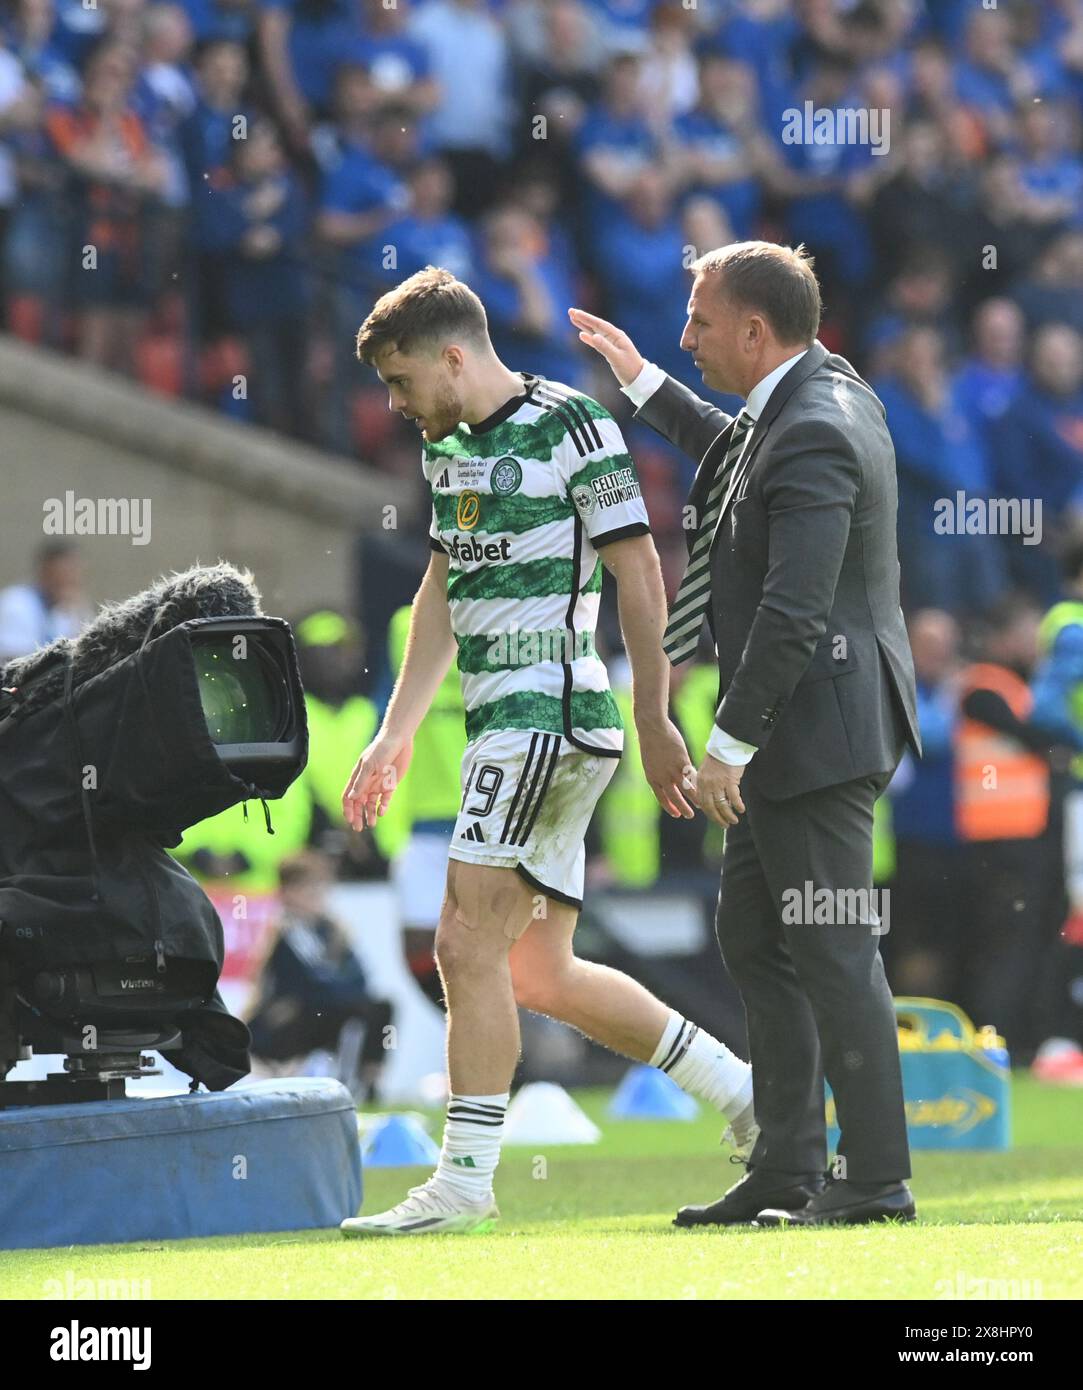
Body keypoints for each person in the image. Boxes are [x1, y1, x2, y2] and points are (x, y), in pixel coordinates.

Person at [339, 266, 756, 1236]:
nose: (397, 406)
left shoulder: (568, 422)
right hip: (508, 723)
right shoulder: (448, 453)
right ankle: (747, 1090)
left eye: (402, 382)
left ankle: (464, 1181)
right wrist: (395, 731)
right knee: (538, 975)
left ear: (454, 356)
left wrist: (655, 715)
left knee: (460, 941)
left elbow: (639, 571)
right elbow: (439, 593)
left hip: (550, 713)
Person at [570, 238, 921, 1227]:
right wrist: (640, 381)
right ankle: (788, 1164)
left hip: (811, 735)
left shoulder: (812, 428)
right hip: (804, 728)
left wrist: (728, 743)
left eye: (700, 322)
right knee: (759, 935)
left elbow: (793, 610)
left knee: (830, 945)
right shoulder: (815, 393)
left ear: (756, 332)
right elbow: (733, 447)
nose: (687, 337)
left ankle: (877, 1179)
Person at [245, 852, 393, 1101]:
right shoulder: (286, 930)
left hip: (321, 1011)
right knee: (349, 1008)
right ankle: (345, 1081)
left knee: (380, 1007)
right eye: (309, 888)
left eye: (321, 886)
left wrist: (345, 988)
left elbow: (359, 977)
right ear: (289, 893)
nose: (318, 895)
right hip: (280, 1023)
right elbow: (309, 983)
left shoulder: (333, 930)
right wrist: (345, 989)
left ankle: (368, 1081)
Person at [0, 539, 90, 663]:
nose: (72, 578)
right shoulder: (16, 603)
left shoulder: (69, 608)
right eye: (65, 571)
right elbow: (12, 659)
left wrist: (78, 614)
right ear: (45, 570)